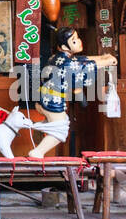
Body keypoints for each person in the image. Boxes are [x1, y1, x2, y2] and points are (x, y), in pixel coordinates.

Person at [29, 26, 116, 158]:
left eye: (77, 38)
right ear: (64, 47)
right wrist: (107, 61)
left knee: (56, 123)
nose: (79, 41)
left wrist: (102, 58)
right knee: (61, 130)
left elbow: (83, 60)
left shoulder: (57, 57)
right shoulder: (67, 63)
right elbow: (85, 65)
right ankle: (37, 152)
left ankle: (36, 127)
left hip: (45, 98)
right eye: (74, 40)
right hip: (52, 100)